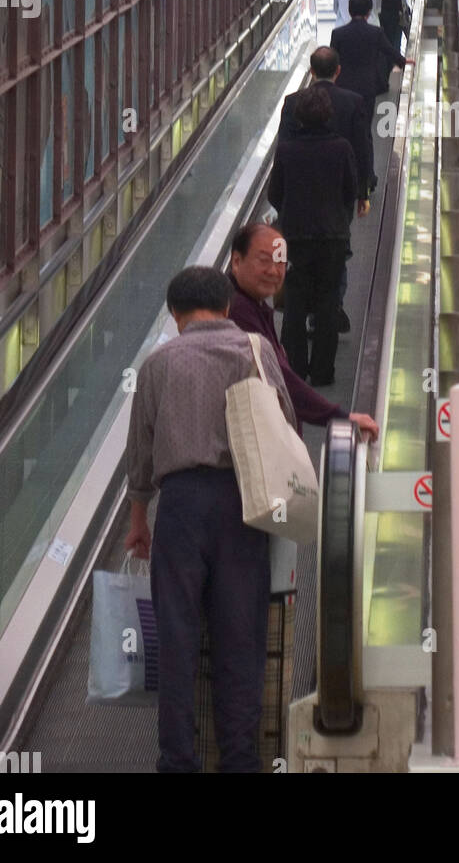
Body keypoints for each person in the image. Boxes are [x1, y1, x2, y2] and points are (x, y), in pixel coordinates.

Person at [125, 265, 295, 773]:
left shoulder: (157, 363)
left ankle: (176, 761)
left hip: (179, 506)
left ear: (175, 314)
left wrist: (139, 520)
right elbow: (285, 420)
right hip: (243, 504)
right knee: (240, 639)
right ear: (225, 308)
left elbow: (141, 452)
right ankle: (240, 761)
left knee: (176, 638)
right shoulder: (256, 350)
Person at [227, 221, 378, 441]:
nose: (273, 270)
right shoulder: (237, 310)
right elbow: (278, 376)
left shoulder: (253, 304)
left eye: (280, 262)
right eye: (264, 260)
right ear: (236, 261)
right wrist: (339, 416)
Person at [266, 84, 357, 387]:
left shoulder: (287, 150)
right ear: (328, 116)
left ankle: (295, 370)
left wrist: (291, 213)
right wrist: (340, 221)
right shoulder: (342, 147)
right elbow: (350, 191)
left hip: (293, 238)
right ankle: (322, 371)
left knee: (294, 302)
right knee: (328, 302)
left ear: (299, 117)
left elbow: (274, 193)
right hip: (332, 236)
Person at [280, 46, 371, 329]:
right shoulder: (353, 102)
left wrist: (283, 197)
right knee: (337, 247)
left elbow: (281, 148)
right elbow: (363, 147)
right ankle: (332, 305)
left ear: (311, 70)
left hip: (298, 198)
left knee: (300, 260)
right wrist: (362, 192)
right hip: (338, 193)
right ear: (338, 71)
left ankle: (306, 307)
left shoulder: (292, 101)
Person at [330, 0, 407, 187]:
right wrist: (404, 62)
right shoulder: (376, 33)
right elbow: (390, 51)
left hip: (343, 88)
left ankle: (344, 177)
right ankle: (367, 178)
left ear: (349, 10)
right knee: (364, 133)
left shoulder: (338, 34)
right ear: (369, 11)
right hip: (366, 90)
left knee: (344, 131)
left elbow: (332, 60)